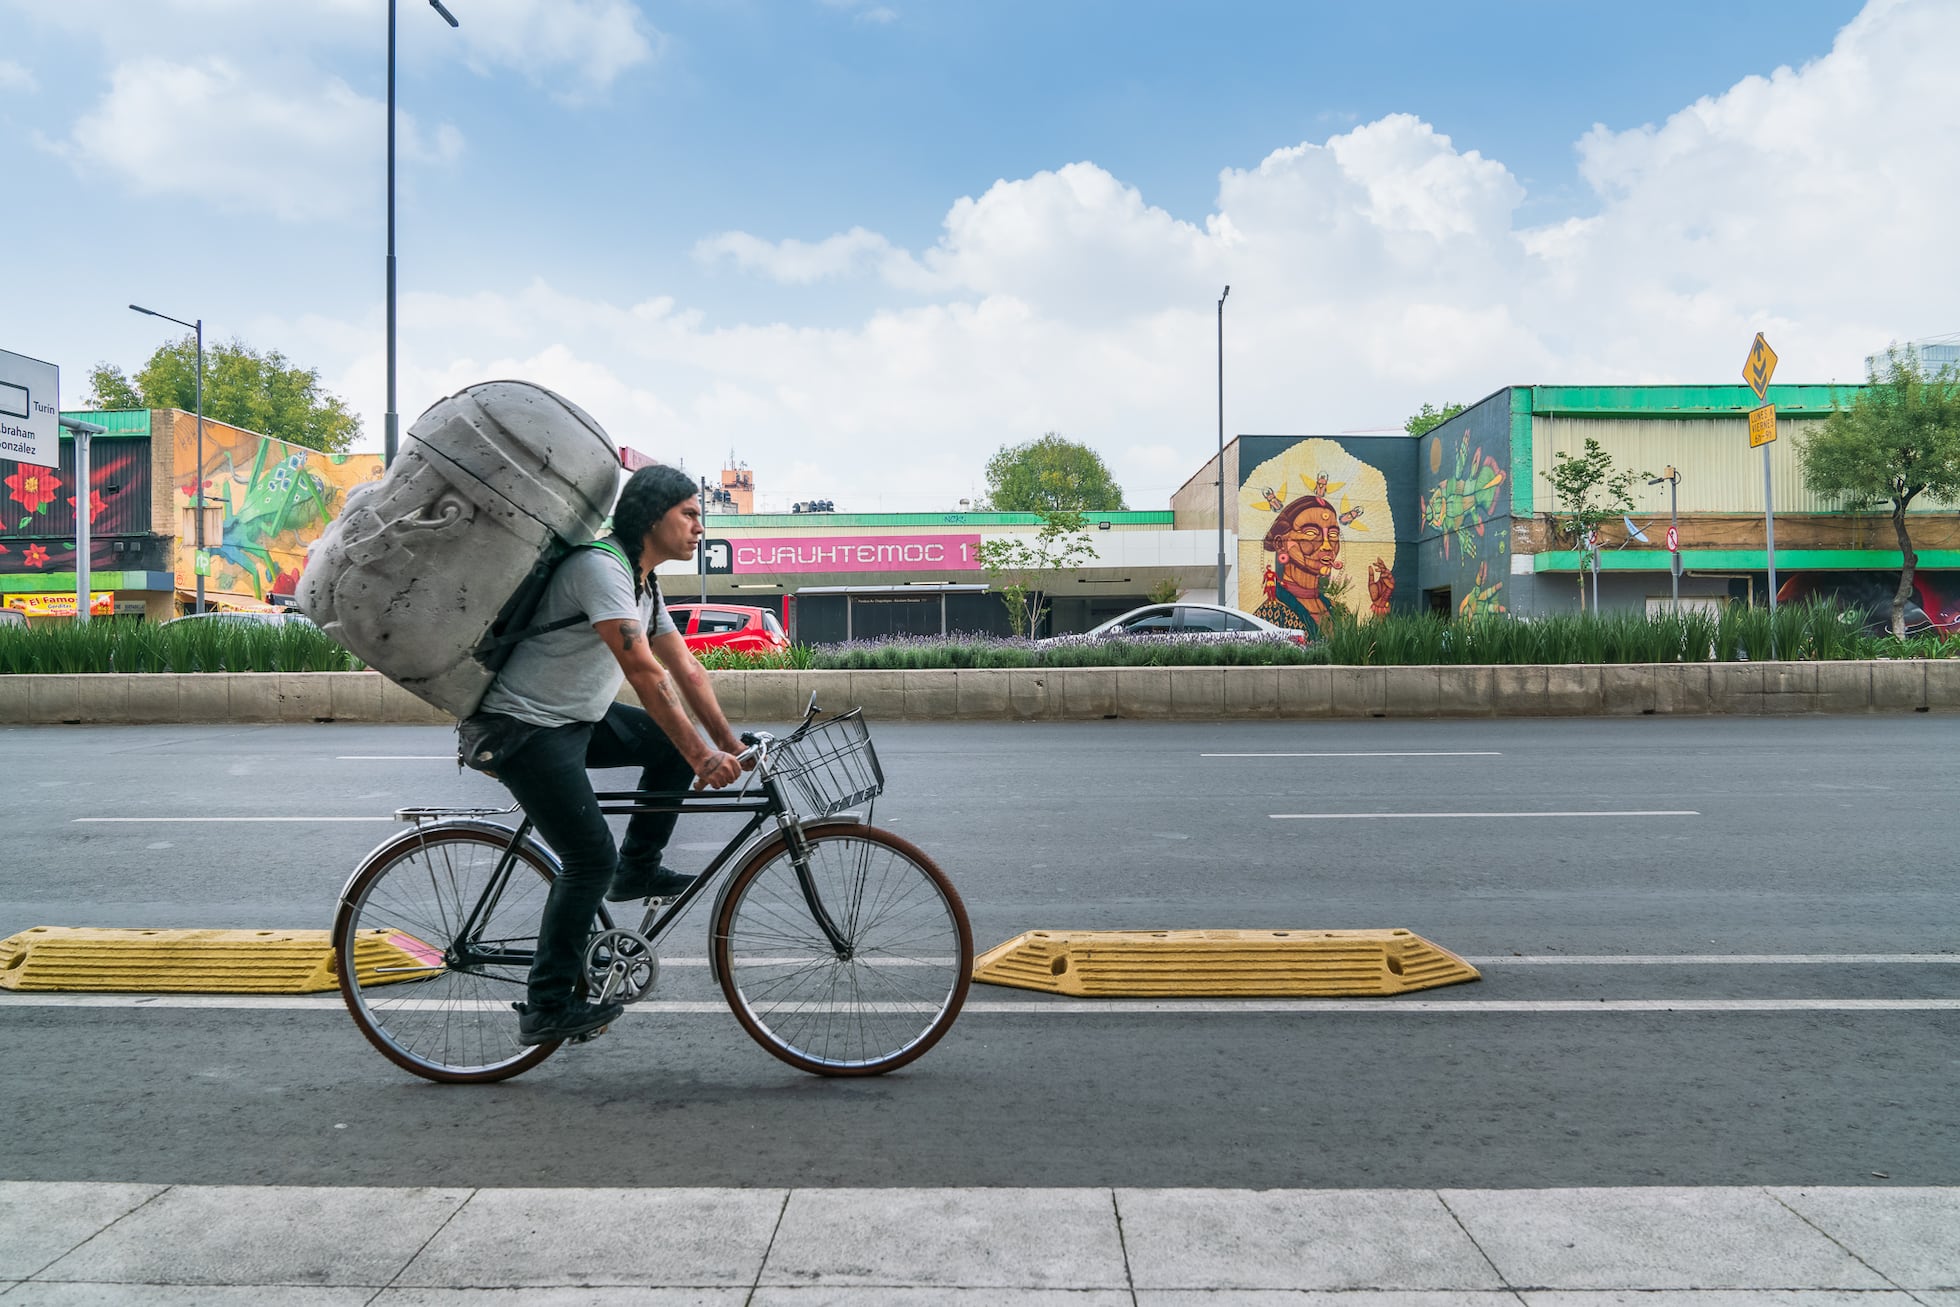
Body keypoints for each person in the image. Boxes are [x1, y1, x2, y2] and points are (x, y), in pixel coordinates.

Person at [461, 464, 748, 1046]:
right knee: (588, 857)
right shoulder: (601, 569)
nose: (699, 527)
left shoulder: (645, 582)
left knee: (665, 751)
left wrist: (730, 744)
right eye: (690, 514)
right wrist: (700, 758)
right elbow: (643, 672)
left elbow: (685, 669)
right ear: (650, 517)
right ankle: (545, 1005)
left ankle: (636, 870)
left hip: (574, 721)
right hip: (524, 730)